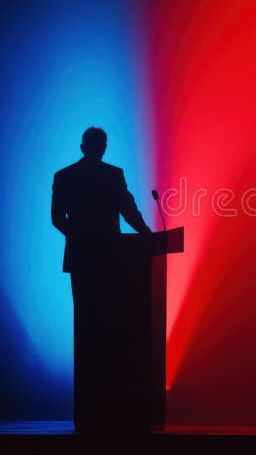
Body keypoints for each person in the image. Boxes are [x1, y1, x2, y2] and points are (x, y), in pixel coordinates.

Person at [51, 127, 151, 433]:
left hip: (82, 259)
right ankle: (108, 406)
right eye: (102, 144)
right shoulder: (113, 174)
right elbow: (128, 210)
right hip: (111, 258)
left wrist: (79, 237)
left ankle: (88, 409)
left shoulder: (64, 175)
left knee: (85, 325)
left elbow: (57, 218)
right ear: (101, 147)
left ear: (83, 146)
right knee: (108, 326)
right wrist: (147, 235)